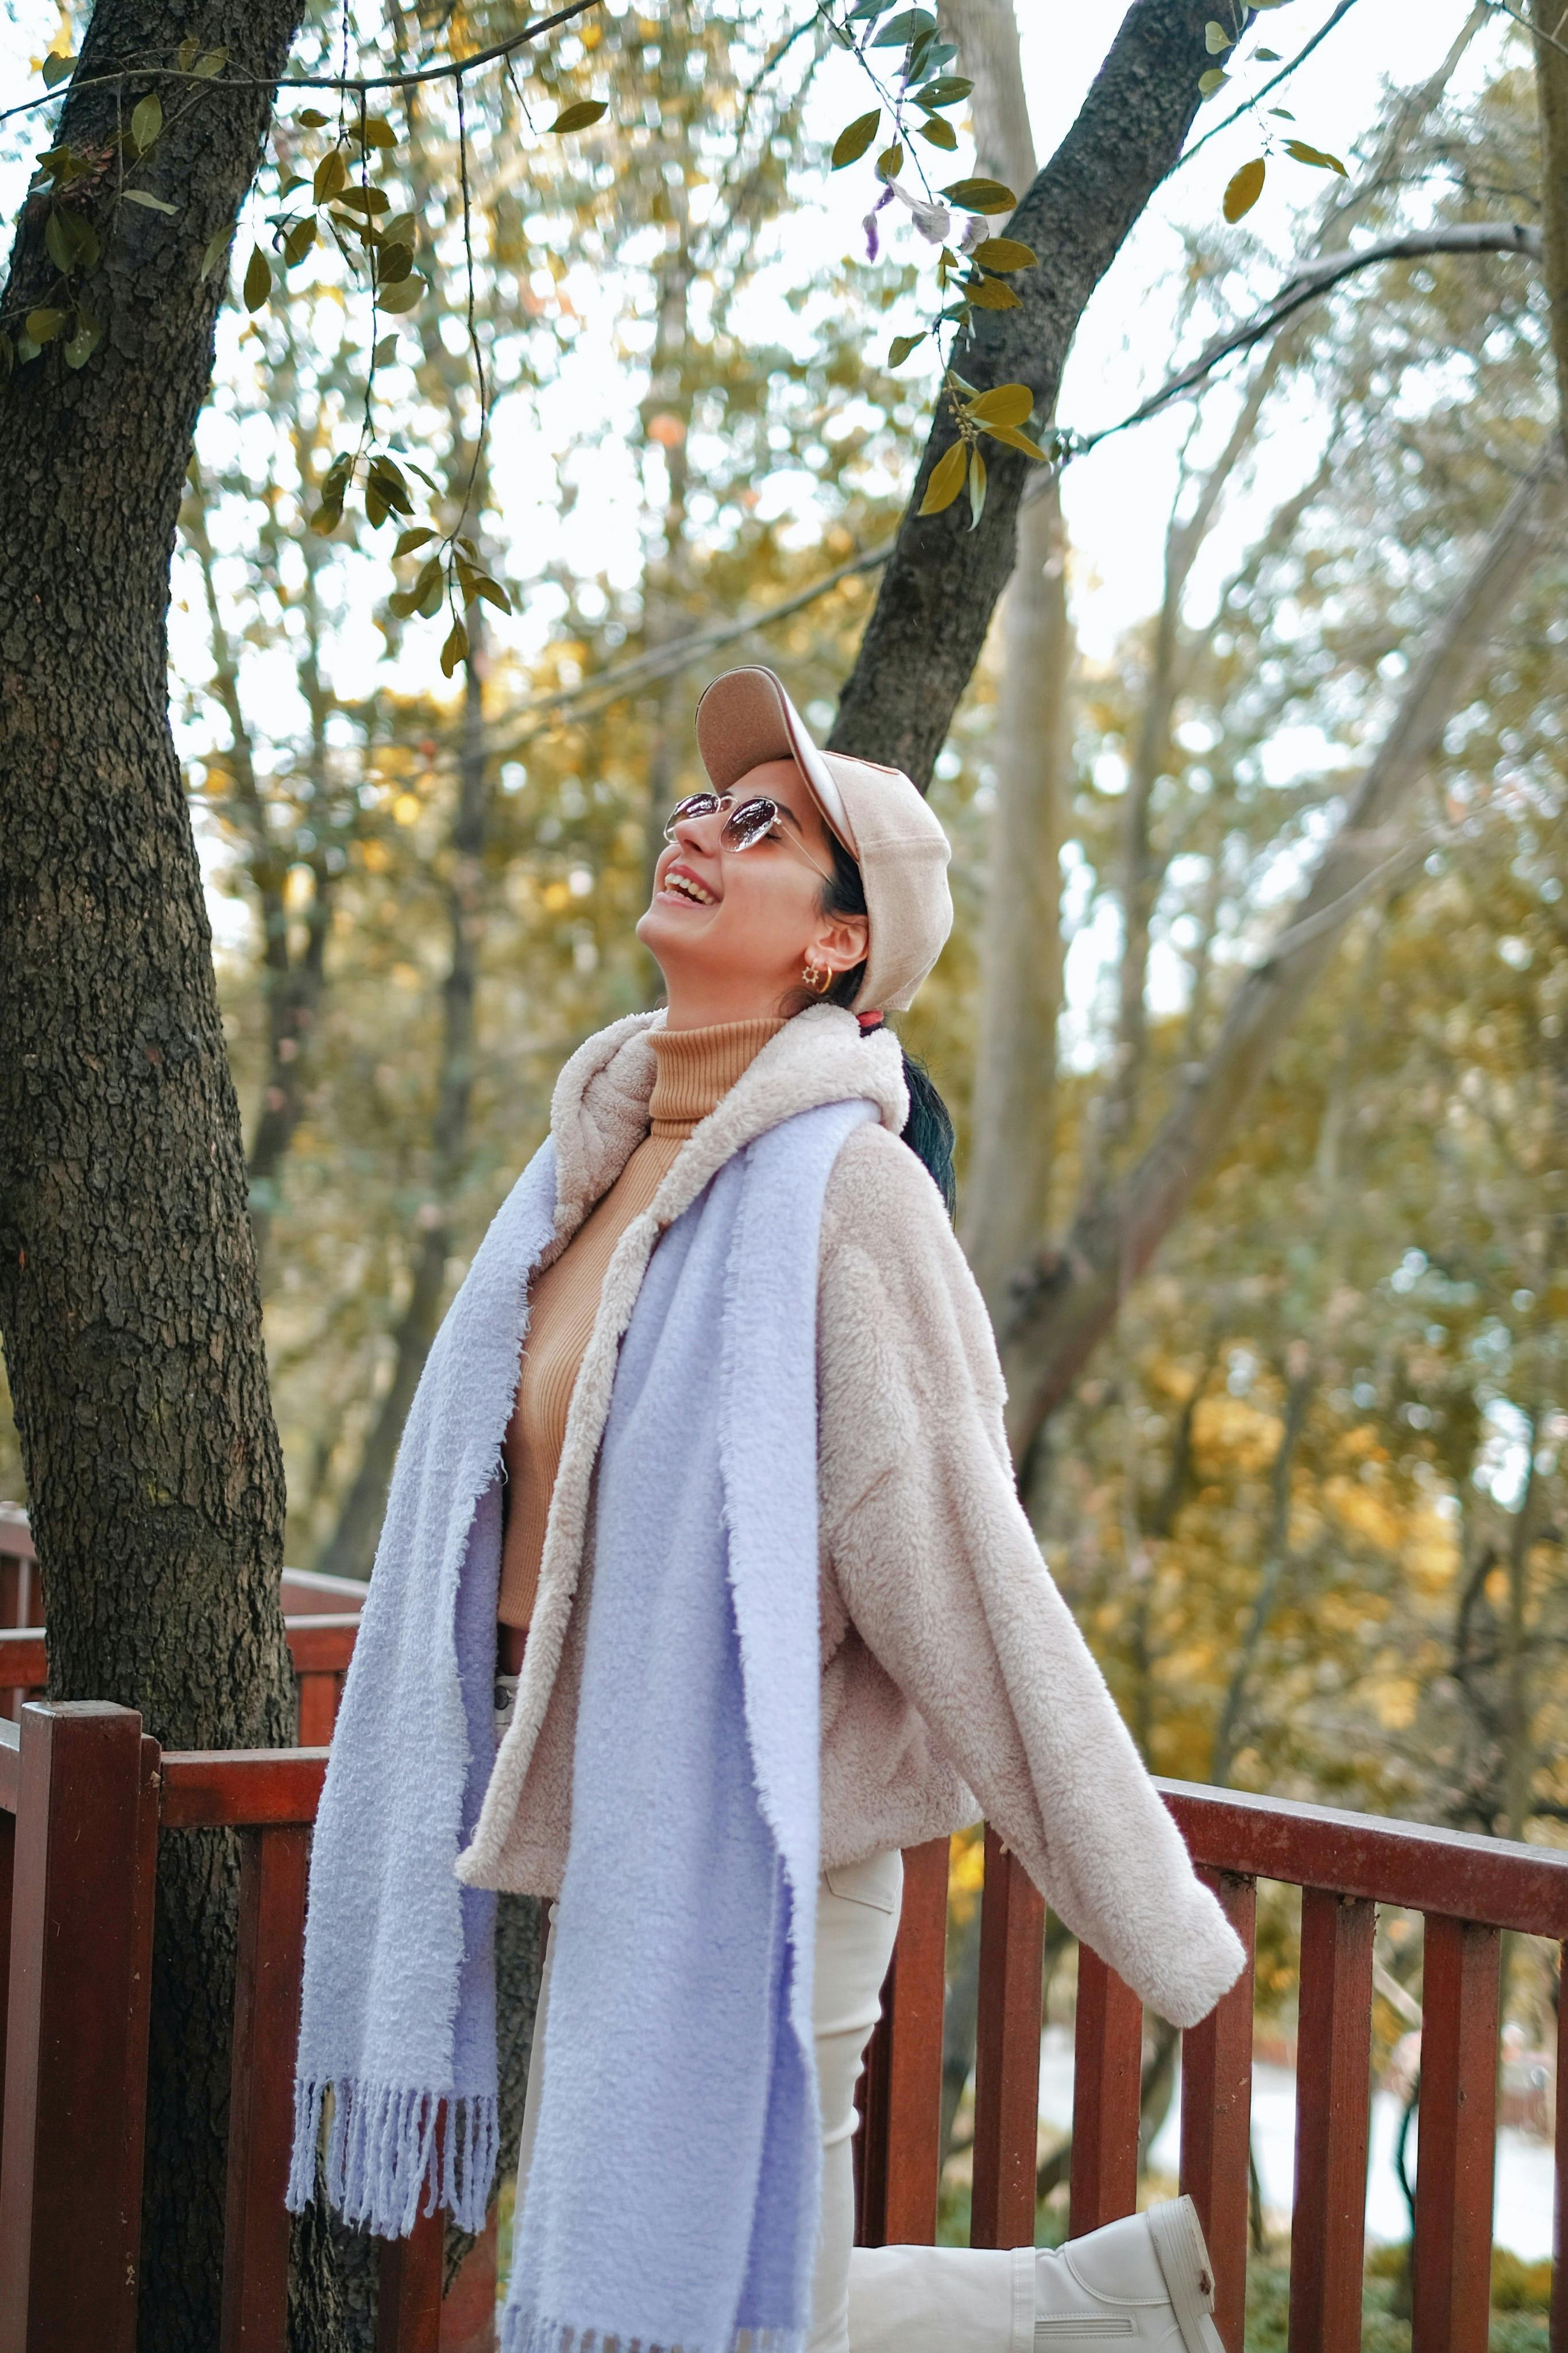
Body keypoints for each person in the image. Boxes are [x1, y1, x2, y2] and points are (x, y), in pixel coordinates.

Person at [290, 667, 1245, 2353]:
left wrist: (1161, 1924)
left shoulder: (847, 1198)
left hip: (767, 1848)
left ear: (834, 947)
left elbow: (959, 1557)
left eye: (763, 825)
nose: (699, 830)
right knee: (704, 2296)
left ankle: (1075, 2315)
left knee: (722, 2312)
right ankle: (1088, 2309)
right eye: (698, 803)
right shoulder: (586, 1159)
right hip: (595, 1820)